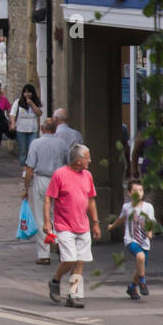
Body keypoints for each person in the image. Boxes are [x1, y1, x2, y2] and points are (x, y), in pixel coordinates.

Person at [44, 143, 101, 308]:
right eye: (88, 157)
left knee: (80, 262)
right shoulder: (59, 174)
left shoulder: (88, 175)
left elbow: (91, 200)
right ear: (79, 159)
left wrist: (96, 223)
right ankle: (55, 281)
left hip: (83, 226)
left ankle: (73, 295)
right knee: (69, 260)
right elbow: (49, 198)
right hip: (64, 225)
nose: (90, 160)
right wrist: (47, 221)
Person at [23, 118, 69, 265]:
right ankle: (62, 246)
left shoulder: (36, 143)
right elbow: (68, 163)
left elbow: (30, 166)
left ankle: (44, 254)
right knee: (59, 214)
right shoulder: (62, 144)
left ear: (42, 129)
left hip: (42, 179)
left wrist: (26, 187)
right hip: (59, 179)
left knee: (41, 216)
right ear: (55, 130)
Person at [109, 181, 156, 300]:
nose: (138, 193)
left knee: (141, 266)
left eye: (140, 190)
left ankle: (132, 287)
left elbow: (150, 221)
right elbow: (121, 218)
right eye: (135, 190)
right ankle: (143, 283)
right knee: (140, 257)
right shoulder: (126, 207)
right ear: (129, 193)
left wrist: (149, 231)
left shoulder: (148, 207)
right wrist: (112, 226)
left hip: (144, 241)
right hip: (131, 239)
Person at [10, 84, 43, 167]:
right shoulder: (18, 102)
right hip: (21, 129)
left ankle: (31, 167)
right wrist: (13, 123)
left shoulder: (36, 102)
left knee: (32, 150)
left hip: (33, 130)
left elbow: (39, 113)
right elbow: (12, 114)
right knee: (23, 150)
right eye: (25, 92)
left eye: (29, 92)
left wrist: (32, 104)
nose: (27, 94)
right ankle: (24, 168)